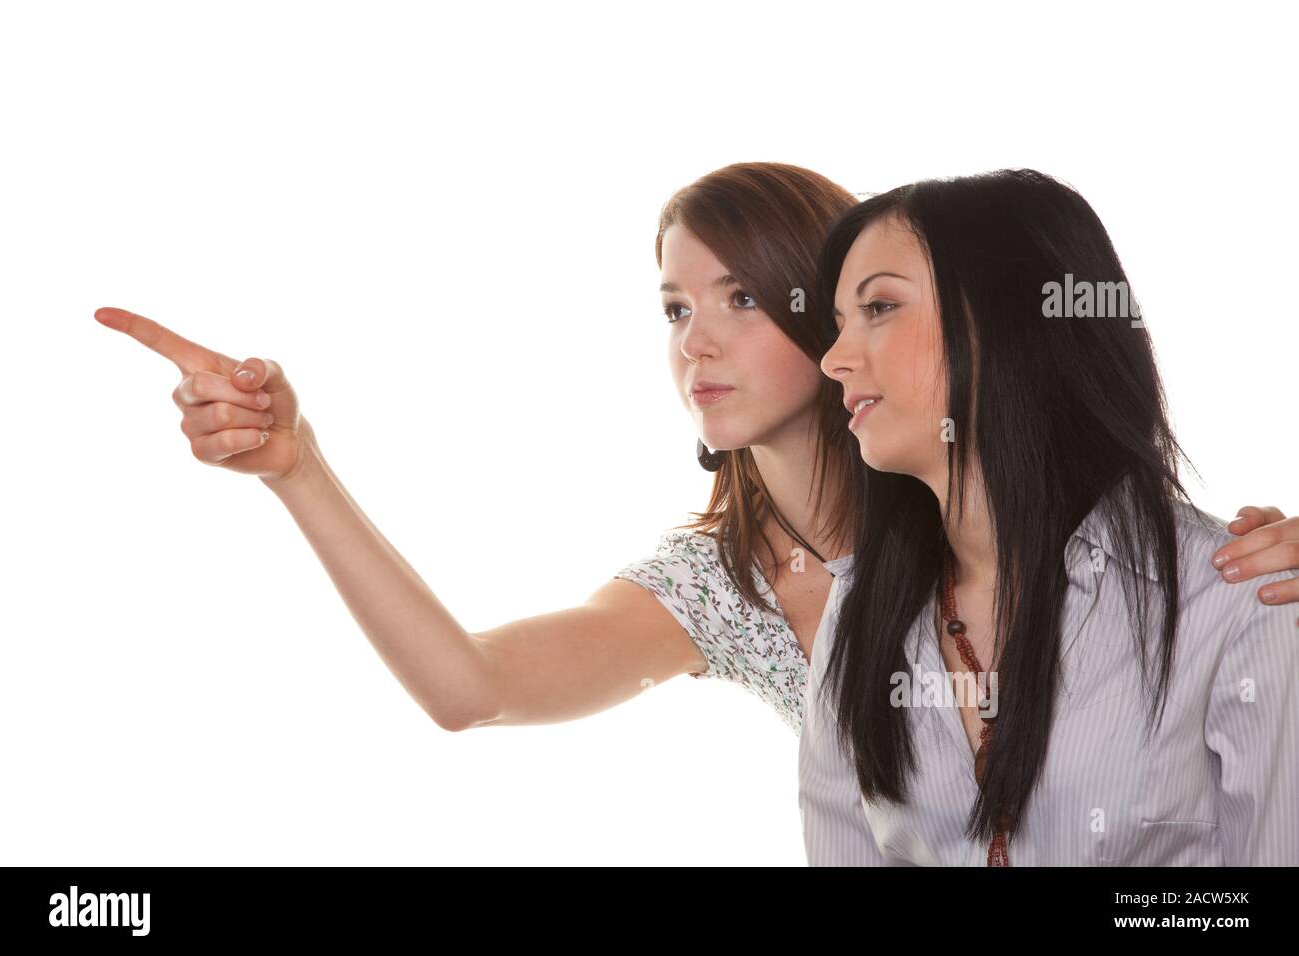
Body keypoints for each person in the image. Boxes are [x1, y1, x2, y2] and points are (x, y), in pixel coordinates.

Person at [93, 163, 1299, 749]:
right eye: (673, 307)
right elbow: (469, 687)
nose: (698, 340)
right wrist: (299, 468)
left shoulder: (973, 489)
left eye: (739, 297)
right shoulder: (714, 582)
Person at [800, 168, 1299, 865]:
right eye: (837, 324)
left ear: (1013, 319)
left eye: (880, 307)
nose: (834, 359)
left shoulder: (1241, 597)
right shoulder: (858, 609)